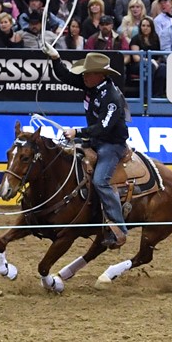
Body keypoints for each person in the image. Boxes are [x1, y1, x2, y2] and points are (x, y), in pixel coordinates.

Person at [43, 48, 131, 249]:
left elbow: (103, 128)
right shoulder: (91, 85)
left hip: (112, 144)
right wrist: (56, 58)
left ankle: (119, 228)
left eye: (87, 73)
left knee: (101, 181)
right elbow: (65, 76)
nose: (83, 76)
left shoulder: (112, 97)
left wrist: (77, 132)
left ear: (99, 75)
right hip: (96, 140)